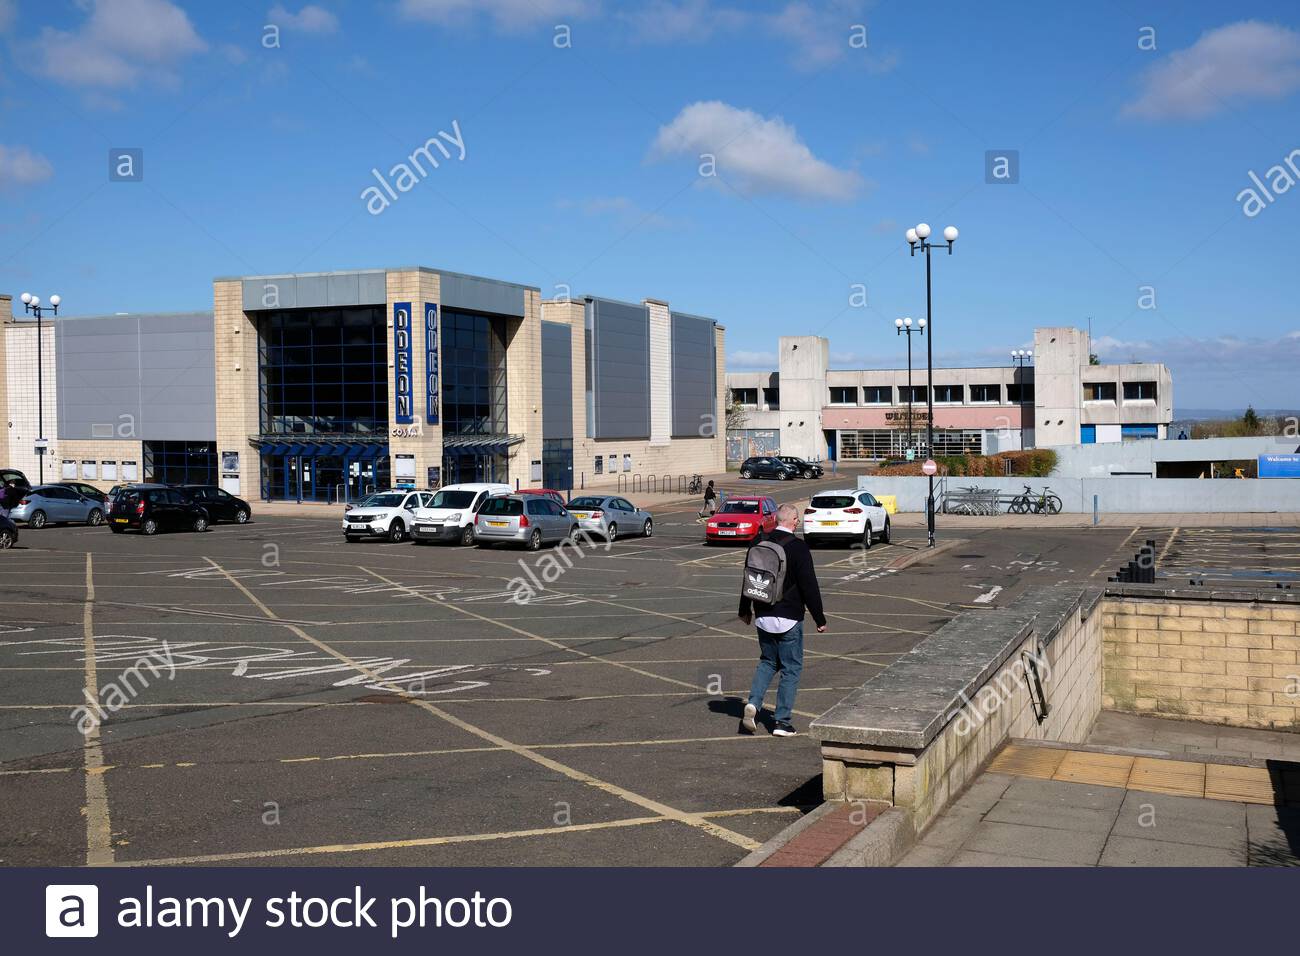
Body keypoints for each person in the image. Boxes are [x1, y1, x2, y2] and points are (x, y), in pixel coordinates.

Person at [737, 502, 826, 737]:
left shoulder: (758, 543)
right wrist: (819, 618)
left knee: (767, 661)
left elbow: (748, 579)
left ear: (776, 520)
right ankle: (782, 722)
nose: (798, 523)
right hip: (789, 617)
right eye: (797, 520)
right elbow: (809, 586)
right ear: (793, 521)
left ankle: (754, 704)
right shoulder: (798, 548)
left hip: (763, 615)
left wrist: (744, 610)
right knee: (791, 669)